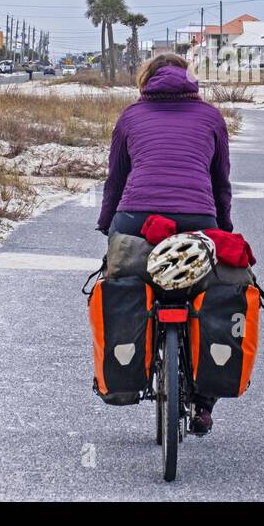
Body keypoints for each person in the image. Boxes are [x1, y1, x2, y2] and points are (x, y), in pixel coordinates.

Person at [98, 53, 231, 434]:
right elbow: (220, 183)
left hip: (135, 220)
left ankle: (126, 370)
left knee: (129, 287)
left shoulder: (130, 117)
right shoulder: (211, 117)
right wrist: (222, 229)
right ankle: (204, 402)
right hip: (198, 221)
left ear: (146, 80)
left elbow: (116, 181)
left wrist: (108, 226)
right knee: (213, 300)